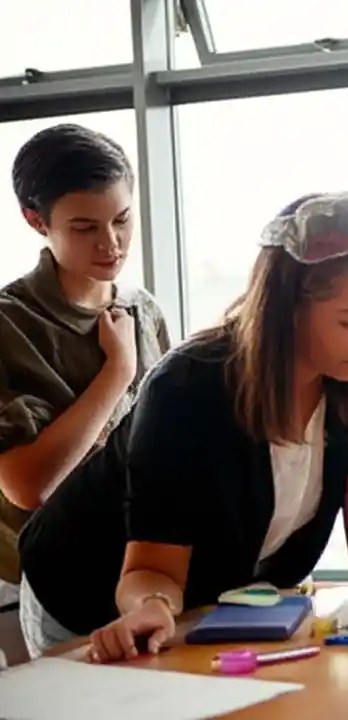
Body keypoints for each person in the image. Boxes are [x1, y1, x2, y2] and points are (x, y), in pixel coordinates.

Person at [18, 192, 348, 661]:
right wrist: (152, 606)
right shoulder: (189, 387)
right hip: (84, 592)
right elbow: (152, 570)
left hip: (203, 610)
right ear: (286, 313)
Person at [0, 124, 169, 650]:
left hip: (140, 578)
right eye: (84, 227)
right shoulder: (10, 325)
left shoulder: (144, 311)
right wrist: (116, 373)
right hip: (50, 580)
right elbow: (28, 485)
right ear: (36, 220)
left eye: (122, 219)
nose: (111, 242)